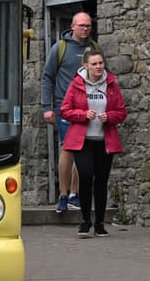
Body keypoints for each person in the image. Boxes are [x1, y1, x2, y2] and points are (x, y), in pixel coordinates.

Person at [60, 47, 126, 238]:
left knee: (101, 181)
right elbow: (65, 110)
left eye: (101, 63)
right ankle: (85, 221)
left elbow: (121, 112)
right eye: (94, 64)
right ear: (86, 65)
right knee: (86, 176)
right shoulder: (76, 84)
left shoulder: (111, 84)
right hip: (83, 141)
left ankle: (99, 224)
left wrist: (110, 116)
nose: (98, 67)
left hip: (105, 141)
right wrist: (83, 114)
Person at [42, 12, 95, 212]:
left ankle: (75, 194)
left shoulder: (94, 49)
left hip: (88, 108)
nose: (85, 29)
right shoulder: (60, 48)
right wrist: (47, 108)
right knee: (69, 149)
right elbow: (47, 77)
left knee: (83, 150)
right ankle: (63, 195)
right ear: (73, 26)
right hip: (64, 107)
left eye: (88, 25)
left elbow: (102, 74)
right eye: (81, 25)